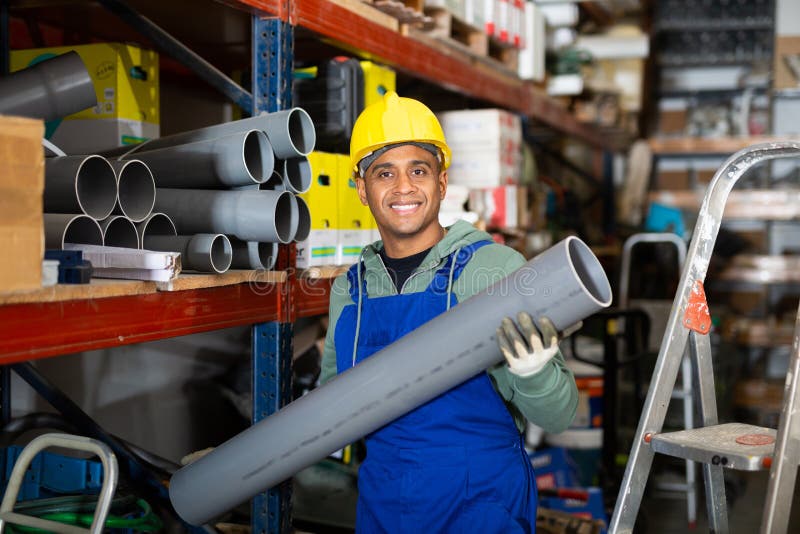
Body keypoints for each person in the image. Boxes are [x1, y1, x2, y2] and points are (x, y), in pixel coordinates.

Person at [320, 91, 578, 533]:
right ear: (362, 189)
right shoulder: (351, 289)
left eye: (418, 170)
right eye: (385, 173)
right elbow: (331, 408)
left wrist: (534, 371)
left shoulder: (493, 269)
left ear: (441, 183)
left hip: (478, 505)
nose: (403, 187)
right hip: (385, 507)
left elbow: (559, 414)